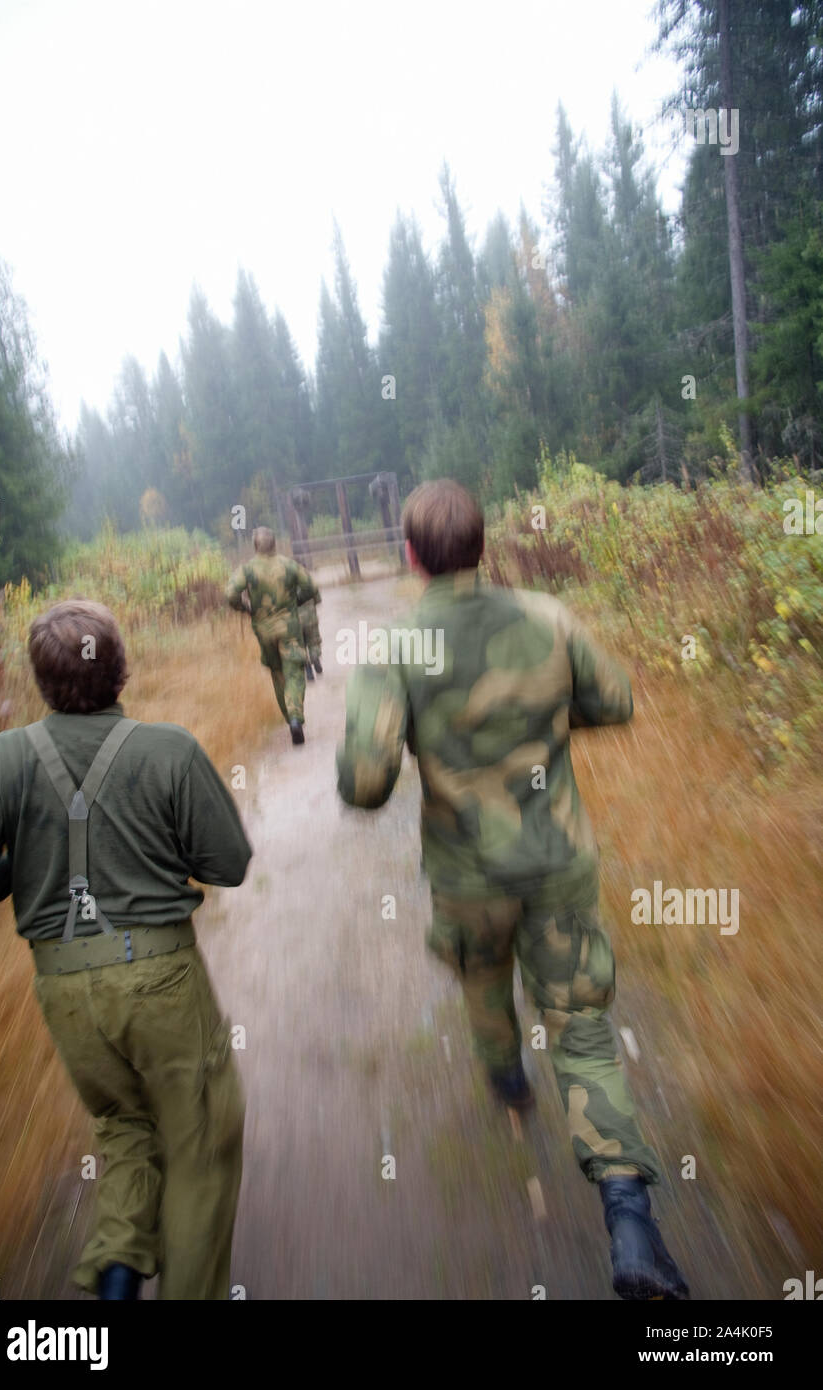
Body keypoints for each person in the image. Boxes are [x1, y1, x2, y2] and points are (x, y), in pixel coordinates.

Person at [336, 479, 689, 1301]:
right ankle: (630, 1219)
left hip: (469, 879)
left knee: (484, 979)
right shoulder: (548, 616)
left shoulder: (395, 649)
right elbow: (618, 699)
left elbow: (364, 785)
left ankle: (505, 1078)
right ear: (482, 544)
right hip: (558, 862)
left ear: (412, 554)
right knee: (584, 1028)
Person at [0, 599, 250, 1300]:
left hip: (63, 990)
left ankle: (118, 1276)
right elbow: (229, 863)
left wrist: (26, 865)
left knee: (124, 1127)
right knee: (200, 1142)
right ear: (119, 669)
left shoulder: (1, 759)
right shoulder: (169, 749)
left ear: (40, 678)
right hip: (160, 982)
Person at [226, 527, 320, 745]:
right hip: (289, 628)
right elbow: (311, 587)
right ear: (275, 543)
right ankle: (296, 717)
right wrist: (296, 601)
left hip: (264, 630)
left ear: (255, 546)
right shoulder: (288, 565)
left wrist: (245, 607)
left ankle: (289, 720)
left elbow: (230, 593)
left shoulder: (247, 569)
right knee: (294, 671)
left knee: (278, 674)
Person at [299, 596, 323, 681]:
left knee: (301, 646)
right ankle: (315, 659)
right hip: (310, 618)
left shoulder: (284, 584)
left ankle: (309, 672)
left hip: (296, 622)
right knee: (313, 642)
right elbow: (318, 599)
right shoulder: (307, 582)